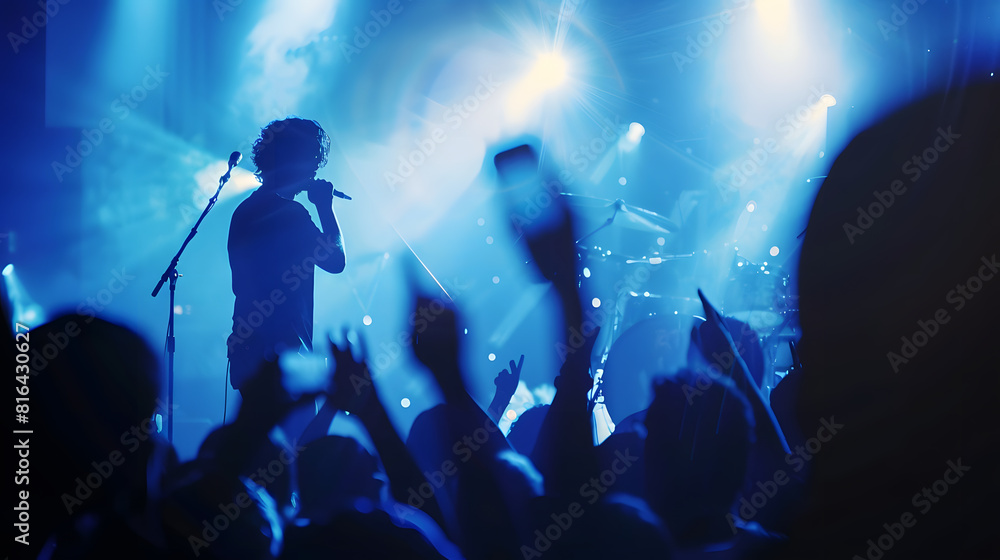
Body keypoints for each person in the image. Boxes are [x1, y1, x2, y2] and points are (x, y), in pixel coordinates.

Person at [226, 117, 346, 405]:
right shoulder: (290, 214)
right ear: (295, 160)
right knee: (298, 446)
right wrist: (325, 207)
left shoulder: (244, 211)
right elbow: (336, 260)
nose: (315, 171)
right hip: (285, 352)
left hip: (248, 348)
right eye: (311, 162)